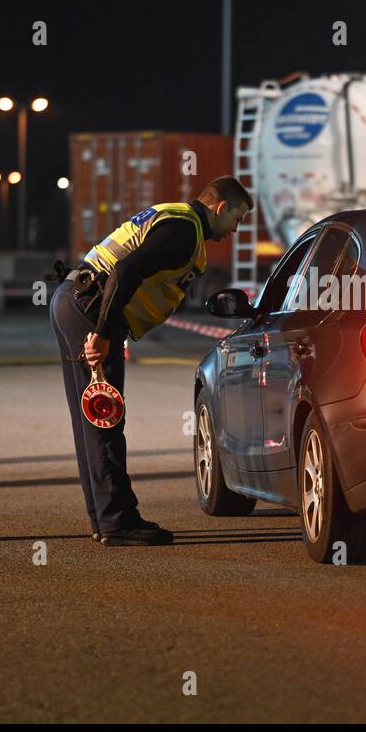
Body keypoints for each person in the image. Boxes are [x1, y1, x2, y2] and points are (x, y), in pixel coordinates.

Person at [50, 175, 252, 546]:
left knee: (91, 421)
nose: (235, 230)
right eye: (237, 219)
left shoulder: (174, 218)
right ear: (220, 208)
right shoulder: (184, 231)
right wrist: (103, 333)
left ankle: (104, 518)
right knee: (104, 417)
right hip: (91, 308)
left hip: (74, 298)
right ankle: (117, 522)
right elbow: (126, 272)